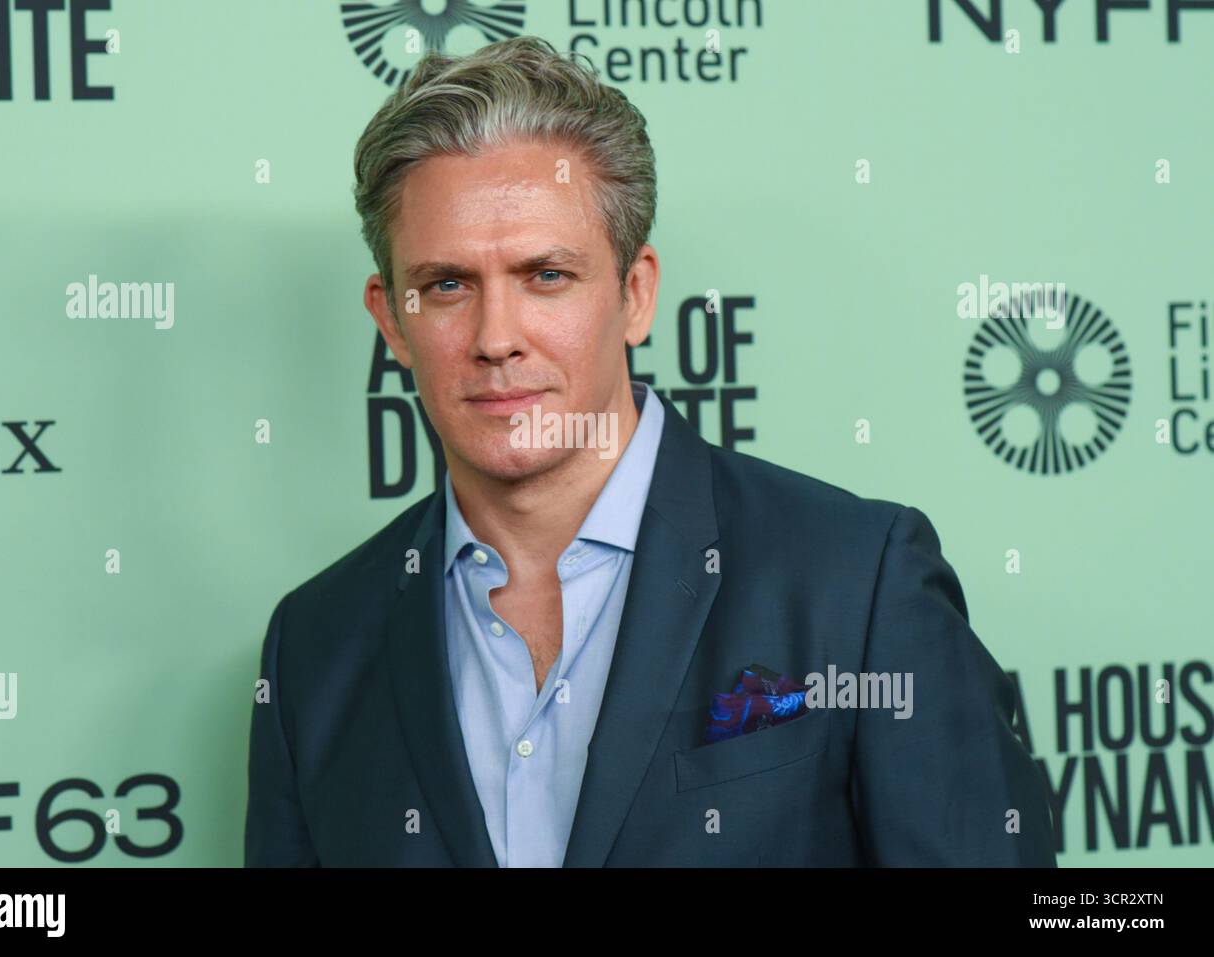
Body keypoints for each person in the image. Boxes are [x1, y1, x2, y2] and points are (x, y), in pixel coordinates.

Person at [244, 36, 1055, 867]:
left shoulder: (856, 584)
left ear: (634, 295)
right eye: (449, 284)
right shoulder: (315, 647)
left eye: (546, 276)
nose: (496, 338)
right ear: (392, 320)